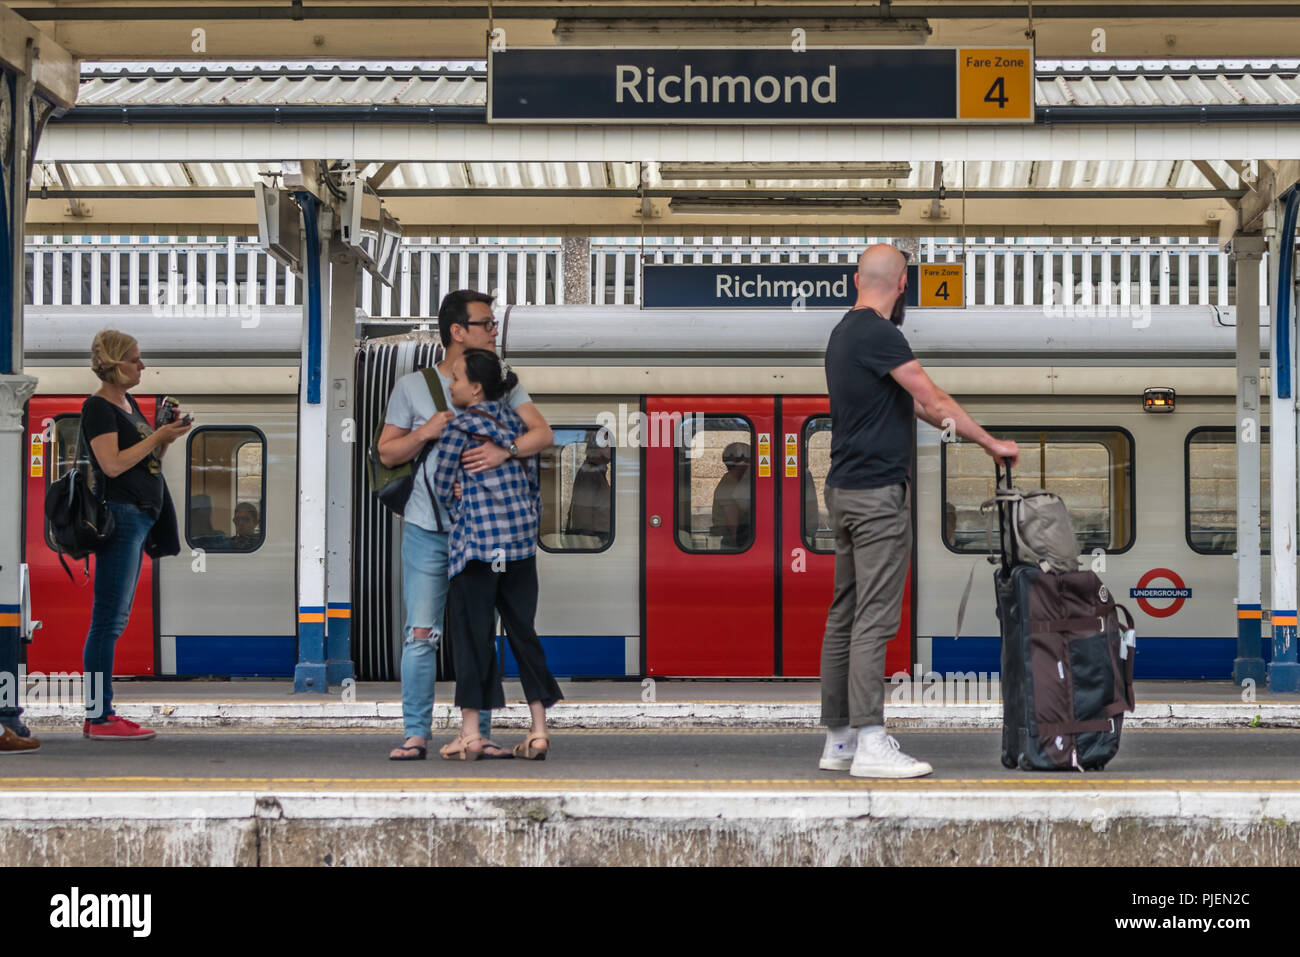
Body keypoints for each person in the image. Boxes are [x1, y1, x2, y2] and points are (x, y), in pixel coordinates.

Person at [819, 245, 1019, 778]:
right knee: (874, 619)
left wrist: (955, 428)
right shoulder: (881, 333)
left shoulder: (842, 334)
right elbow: (932, 399)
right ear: (904, 283)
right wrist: (990, 443)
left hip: (843, 493)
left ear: (856, 277)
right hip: (877, 496)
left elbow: (910, 406)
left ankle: (838, 739)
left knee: (844, 613)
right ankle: (870, 740)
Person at [376, 290, 553, 760]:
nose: (495, 332)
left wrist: (504, 451)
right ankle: (417, 733)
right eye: (487, 324)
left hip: (482, 533)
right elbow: (387, 452)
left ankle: (480, 731)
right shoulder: (412, 387)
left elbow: (542, 434)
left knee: (480, 630)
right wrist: (425, 432)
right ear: (458, 331)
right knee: (421, 633)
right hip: (427, 529)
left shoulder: (504, 385)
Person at [433, 349, 562, 761]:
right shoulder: (516, 429)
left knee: (473, 637)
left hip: (476, 551)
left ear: (474, 388)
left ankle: (470, 733)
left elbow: (440, 485)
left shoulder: (460, 428)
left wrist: (461, 496)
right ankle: (539, 730)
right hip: (520, 550)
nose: (450, 385)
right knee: (523, 633)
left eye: (455, 379)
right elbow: (535, 491)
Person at [81, 330, 188, 740]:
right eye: (135, 360)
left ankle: (101, 714)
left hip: (140, 516)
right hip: (121, 518)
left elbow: (146, 463)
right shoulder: (99, 408)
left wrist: (165, 437)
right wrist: (156, 437)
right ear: (113, 363)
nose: (142, 366)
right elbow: (111, 465)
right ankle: (98, 716)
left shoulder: (129, 406)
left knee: (113, 619)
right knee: (108, 620)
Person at [564, 442, 612, 547]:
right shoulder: (589, 473)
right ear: (596, 450)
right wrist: (591, 547)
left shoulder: (598, 473)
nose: (612, 448)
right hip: (594, 539)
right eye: (607, 445)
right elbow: (581, 514)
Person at [710, 442, 751, 547]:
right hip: (735, 544)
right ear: (742, 462)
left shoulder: (739, 482)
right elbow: (732, 524)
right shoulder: (729, 483)